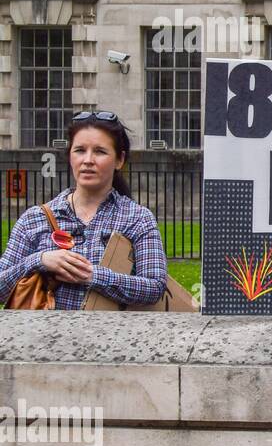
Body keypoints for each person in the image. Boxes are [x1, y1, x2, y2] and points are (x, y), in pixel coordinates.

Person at [0, 112, 168, 309]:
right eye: (80, 150)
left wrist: (91, 275)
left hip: (113, 329)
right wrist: (40, 260)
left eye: (100, 151)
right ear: (70, 156)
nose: (88, 160)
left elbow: (154, 287)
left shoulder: (137, 219)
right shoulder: (34, 219)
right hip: (46, 329)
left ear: (119, 160)